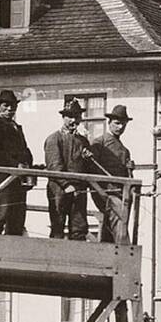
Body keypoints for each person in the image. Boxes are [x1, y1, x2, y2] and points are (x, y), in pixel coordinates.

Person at [0, 89, 34, 235]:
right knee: (0, 217)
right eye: (6, 105)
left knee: (17, 220)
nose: (10, 109)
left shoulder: (17, 128)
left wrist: (29, 164)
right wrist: (14, 165)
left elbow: (25, 150)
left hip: (18, 182)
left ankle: (10, 255)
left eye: (13, 106)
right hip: (3, 180)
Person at [43, 99, 95, 240]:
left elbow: (88, 168)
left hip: (79, 191)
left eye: (77, 116)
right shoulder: (54, 139)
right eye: (70, 116)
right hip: (59, 190)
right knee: (58, 227)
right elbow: (54, 166)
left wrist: (88, 157)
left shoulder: (83, 141)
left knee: (79, 229)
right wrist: (67, 185)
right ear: (63, 117)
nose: (74, 120)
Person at [88, 105, 134, 243]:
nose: (120, 127)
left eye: (123, 124)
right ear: (109, 123)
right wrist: (101, 191)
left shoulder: (125, 151)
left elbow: (127, 177)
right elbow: (91, 169)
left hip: (120, 193)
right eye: (117, 123)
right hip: (104, 192)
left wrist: (130, 169)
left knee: (115, 221)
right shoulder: (99, 143)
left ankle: (107, 249)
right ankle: (125, 250)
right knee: (119, 217)